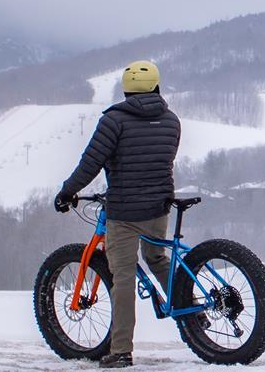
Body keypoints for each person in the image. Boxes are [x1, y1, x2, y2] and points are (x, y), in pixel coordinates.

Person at [53, 60, 182, 370]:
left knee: (122, 275)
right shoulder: (171, 120)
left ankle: (121, 350)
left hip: (124, 211)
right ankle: (193, 311)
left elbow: (91, 163)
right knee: (158, 259)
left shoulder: (114, 121)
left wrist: (67, 191)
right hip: (159, 207)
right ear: (156, 86)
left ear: (126, 89)